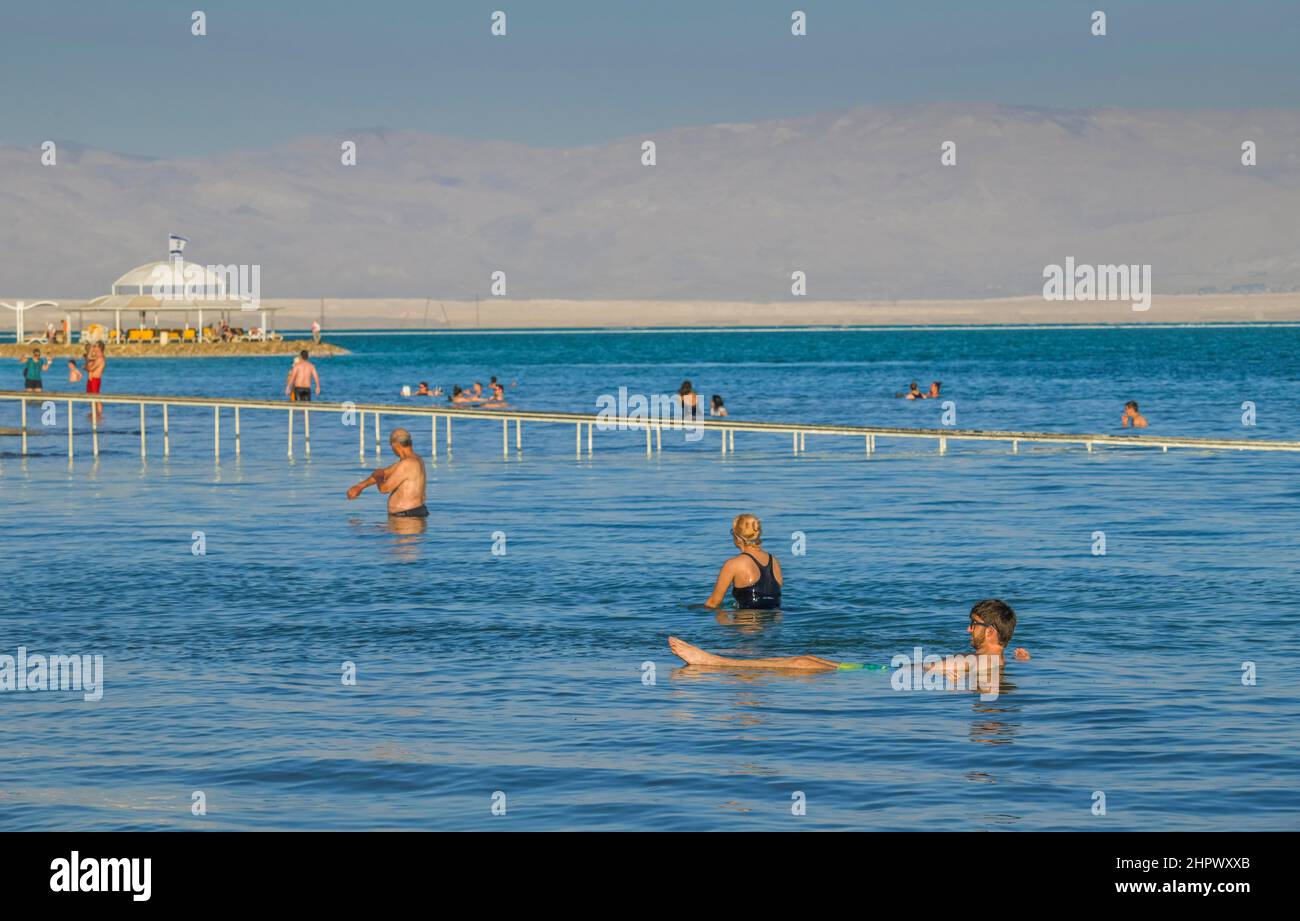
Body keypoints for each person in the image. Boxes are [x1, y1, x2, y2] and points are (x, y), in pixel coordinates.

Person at [669, 599, 1030, 673]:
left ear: (991, 630)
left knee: (802, 662)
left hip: (889, 678)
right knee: (811, 660)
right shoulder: (997, 660)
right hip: (886, 672)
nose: (968, 629)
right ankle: (717, 662)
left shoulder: (980, 665)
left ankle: (716, 663)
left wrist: (940, 669)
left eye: (973, 624)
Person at [704, 514, 783, 610]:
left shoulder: (733, 564)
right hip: (773, 622)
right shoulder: (774, 561)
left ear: (737, 537)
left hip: (746, 622)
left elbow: (713, 603)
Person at [346, 428, 428, 517]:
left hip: (408, 517)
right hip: (410, 514)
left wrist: (377, 476)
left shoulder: (407, 464)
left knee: (360, 529)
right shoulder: (415, 459)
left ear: (395, 444)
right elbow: (384, 473)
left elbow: (384, 488)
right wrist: (360, 486)